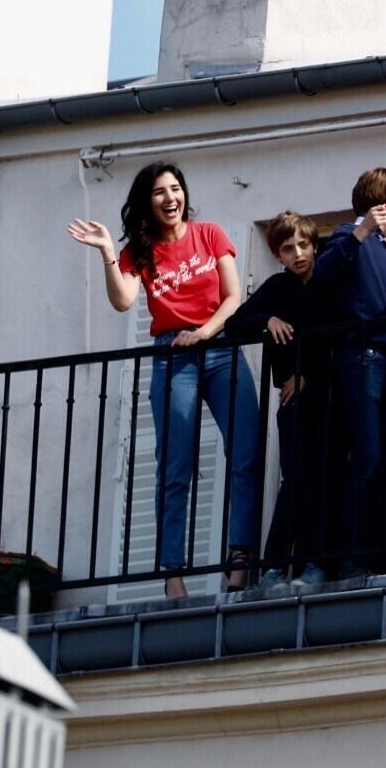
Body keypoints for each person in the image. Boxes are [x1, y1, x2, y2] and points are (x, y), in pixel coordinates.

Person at [67, 161, 262, 599]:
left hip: (221, 349)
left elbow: (233, 298)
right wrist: (106, 253)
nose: (170, 197)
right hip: (174, 356)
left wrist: (205, 332)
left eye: (176, 188)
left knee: (245, 454)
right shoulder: (141, 252)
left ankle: (240, 560)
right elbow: (123, 301)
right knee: (176, 467)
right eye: (160, 192)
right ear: (148, 202)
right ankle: (173, 574)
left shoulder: (210, 234)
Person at [226, 211, 331, 591]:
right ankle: (277, 566)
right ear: (280, 256)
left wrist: (307, 374)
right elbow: (235, 324)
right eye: (288, 249)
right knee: (295, 479)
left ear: (314, 245)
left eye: (303, 245)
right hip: (293, 401)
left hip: (328, 394)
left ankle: (313, 563)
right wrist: (266, 319)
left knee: (322, 478)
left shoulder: (328, 283)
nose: (298, 254)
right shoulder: (277, 288)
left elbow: (334, 336)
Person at [311, 167, 386, 577]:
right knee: (366, 458)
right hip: (363, 357)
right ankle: (351, 558)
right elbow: (323, 274)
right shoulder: (349, 235)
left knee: (382, 460)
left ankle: (368, 554)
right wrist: (362, 230)